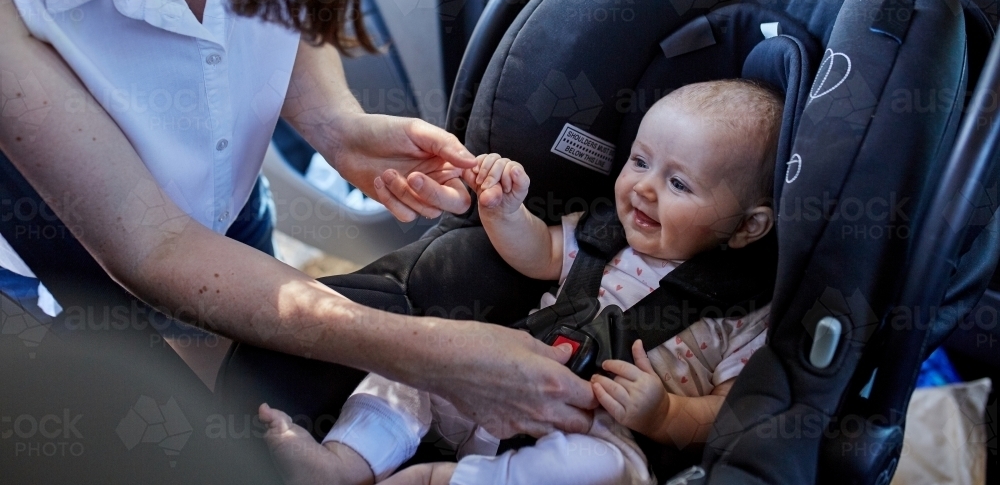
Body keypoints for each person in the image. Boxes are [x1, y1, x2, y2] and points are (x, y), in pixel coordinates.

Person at [0, 0, 596, 465]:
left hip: (228, 209)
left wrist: (336, 121)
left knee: (231, 401)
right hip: (60, 272)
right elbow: (152, 242)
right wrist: (433, 356)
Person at [259, 79, 782, 485]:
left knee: (600, 470)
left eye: (678, 182)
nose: (644, 188)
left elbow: (728, 416)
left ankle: (447, 478)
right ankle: (343, 463)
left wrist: (668, 414)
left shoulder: (742, 314)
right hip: (498, 379)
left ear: (747, 226)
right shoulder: (603, 238)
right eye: (640, 162)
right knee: (415, 364)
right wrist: (505, 209)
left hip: (598, 430)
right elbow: (537, 252)